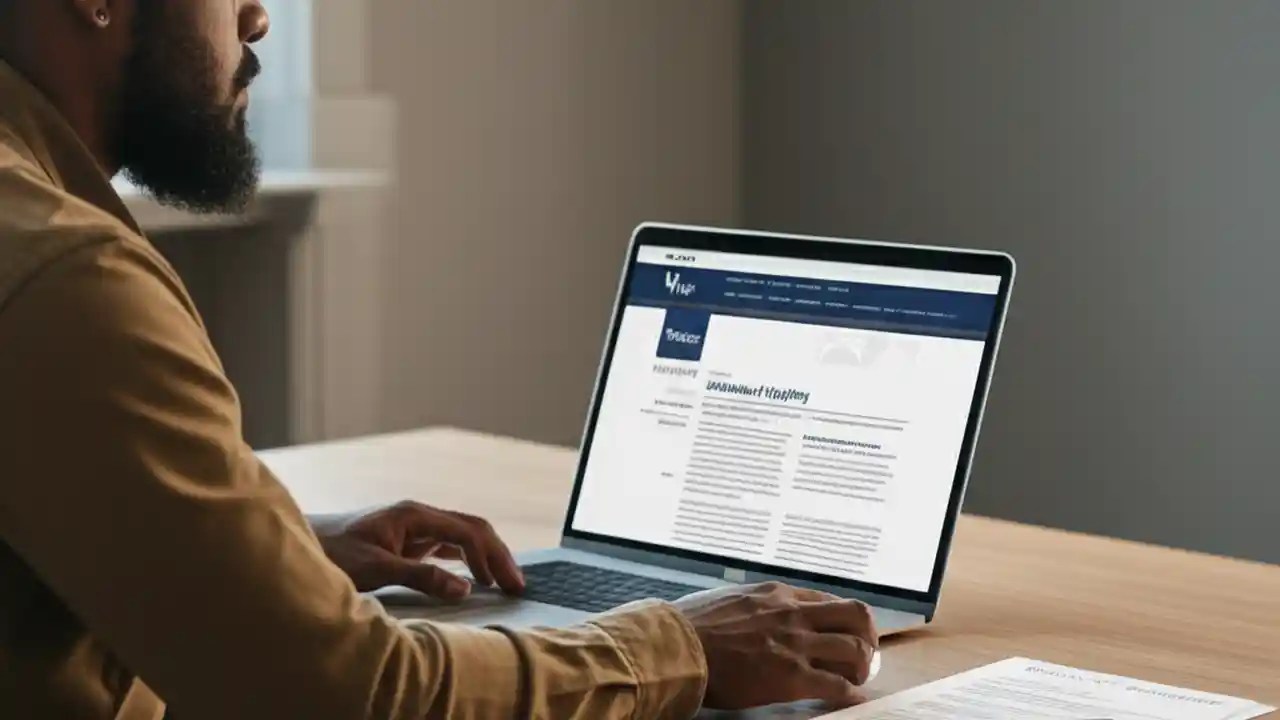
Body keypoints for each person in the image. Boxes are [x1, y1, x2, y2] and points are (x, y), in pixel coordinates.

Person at [0, 2, 879, 718]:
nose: (258, 19)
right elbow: (353, 696)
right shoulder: (72, 277)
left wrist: (275, 557)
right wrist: (680, 648)